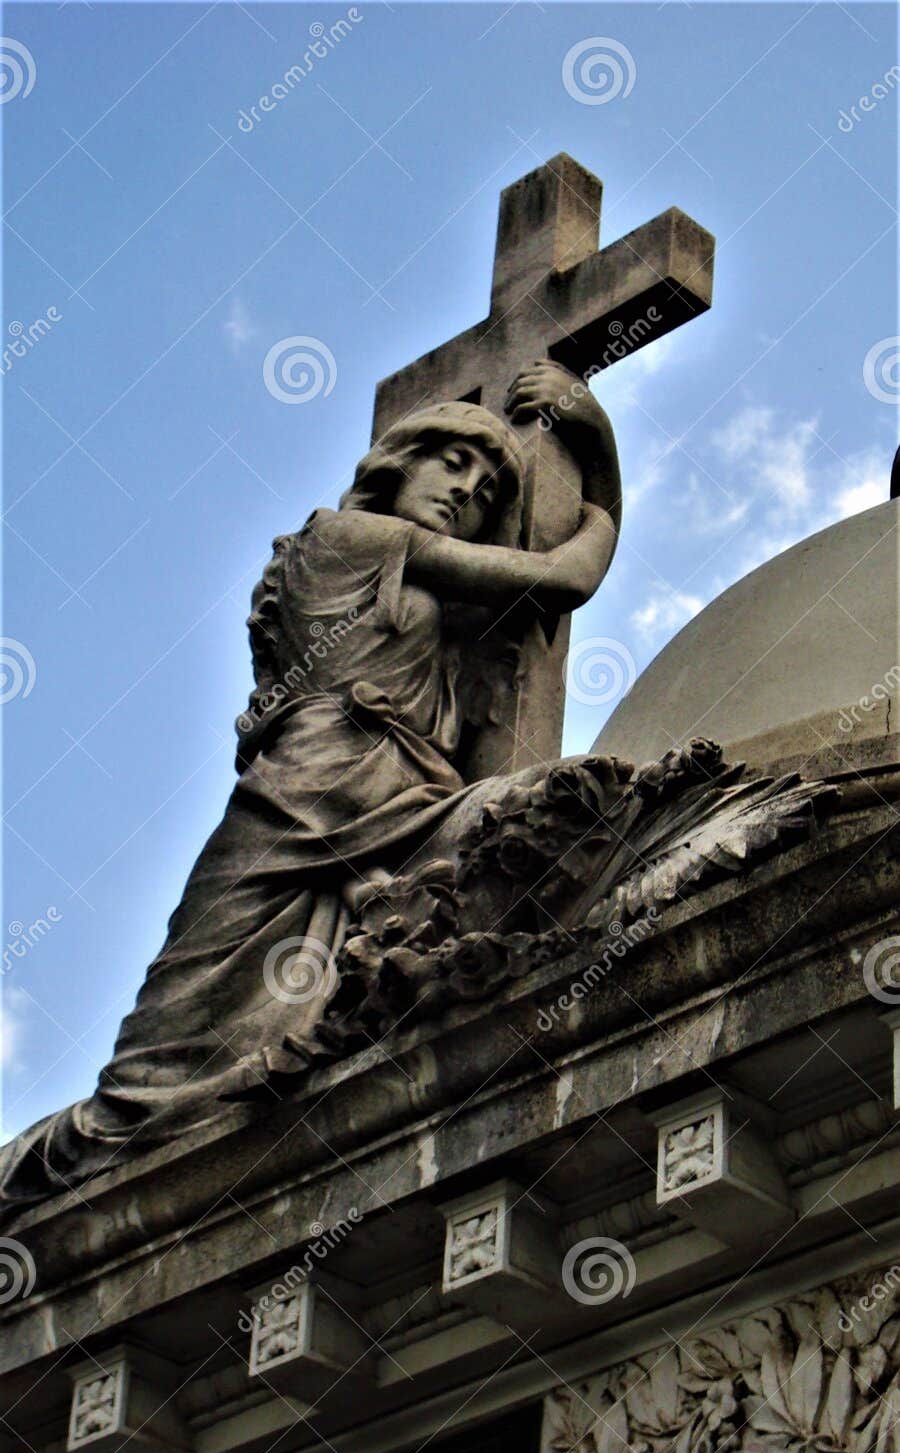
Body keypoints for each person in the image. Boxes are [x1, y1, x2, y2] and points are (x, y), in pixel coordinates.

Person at [0, 363, 620, 1210]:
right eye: (451, 465)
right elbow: (561, 581)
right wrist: (601, 491)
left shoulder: (421, 586)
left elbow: (513, 623)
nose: (462, 493)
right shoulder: (351, 537)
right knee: (157, 1074)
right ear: (399, 460)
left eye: (481, 492)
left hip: (397, 804)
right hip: (314, 795)